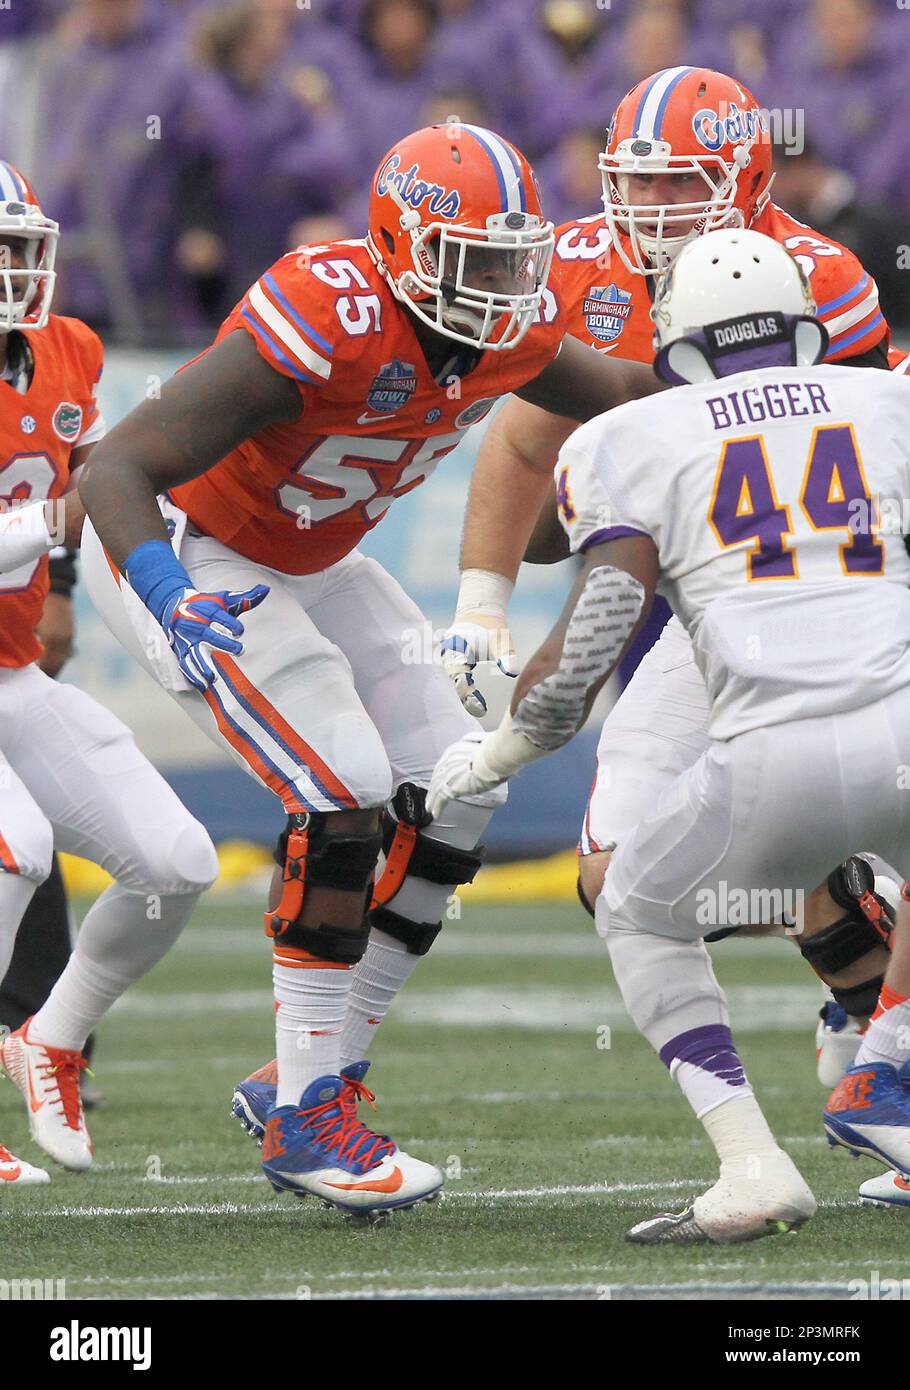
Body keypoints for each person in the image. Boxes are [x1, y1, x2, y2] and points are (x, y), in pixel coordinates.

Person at [78, 122, 657, 1220]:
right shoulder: (328, 310)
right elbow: (120, 463)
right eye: (471, 258)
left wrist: (740, 378)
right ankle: (306, 1122)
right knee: (341, 788)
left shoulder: (508, 330)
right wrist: (166, 594)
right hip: (195, 557)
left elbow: (626, 387)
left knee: (464, 782)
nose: (498, 283)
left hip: (315, 557)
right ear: (399, 243)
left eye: (509, 257)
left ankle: (311, 1068)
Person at [428, 228, 910, 1242]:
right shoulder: (887, 401)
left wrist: (502, 749)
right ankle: (887, 1057)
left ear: (676, 347)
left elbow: (598, 629)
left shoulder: (633, 435)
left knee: (639, 911)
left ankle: (751, 1162)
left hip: (772, 749)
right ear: (808, 331)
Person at [0, 161, 218, 1181]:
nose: (15, 269)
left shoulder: (68, 349)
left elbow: (100, 500)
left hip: (7, 670)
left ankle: (50, 1035)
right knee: (18, 848)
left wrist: (169, 614)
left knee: (176, 858)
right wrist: (47, 524)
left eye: (19, 246)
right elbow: (62, 510)